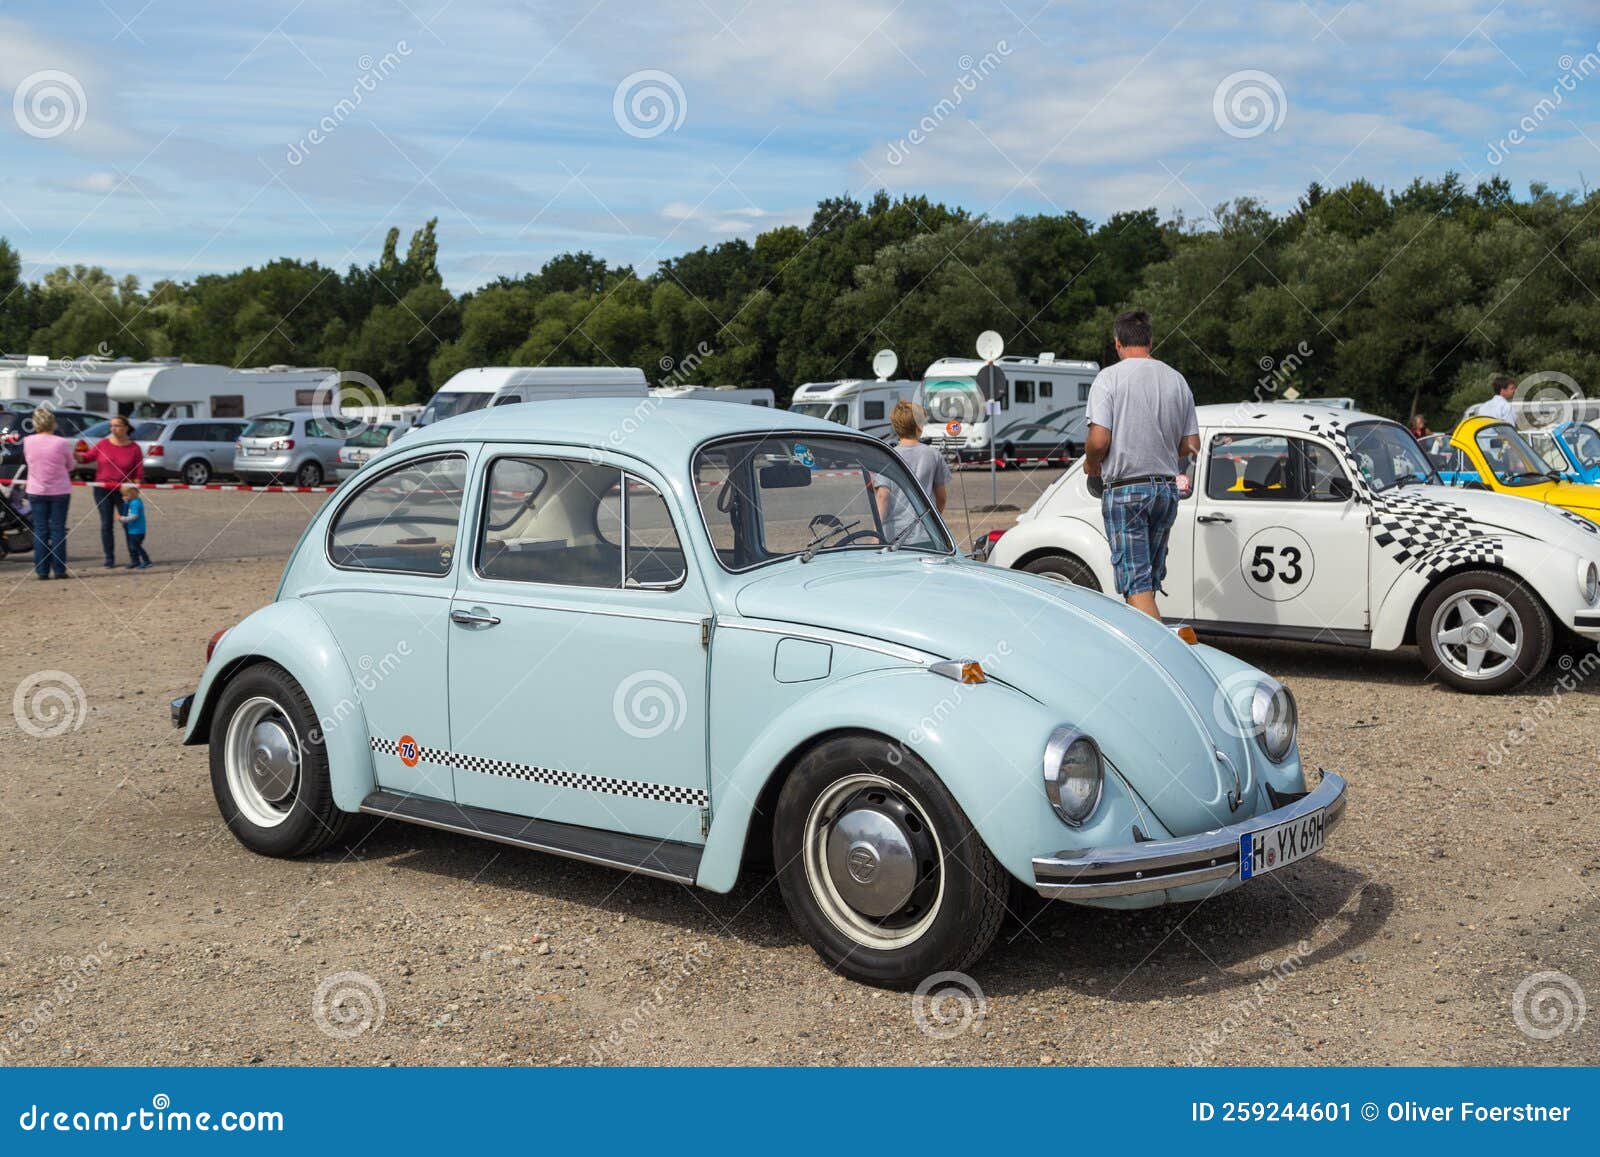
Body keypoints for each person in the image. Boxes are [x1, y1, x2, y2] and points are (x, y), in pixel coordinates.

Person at [1082, 309, 1200, 620]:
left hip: (1126, 490)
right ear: (1150, 341)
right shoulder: (1176, 379)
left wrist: (1091, 463)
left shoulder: (1108, 378)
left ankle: (1160, 658)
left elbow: (1098, 441)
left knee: (1136, 586)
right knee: (1148, 581)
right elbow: (1191, 446)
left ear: (1117, 342)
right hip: (1165, 490)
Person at [874, 400, 949, 541]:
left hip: (894, 535)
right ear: (919, 426)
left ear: (896, 426)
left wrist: (875, 535)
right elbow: (942, 497)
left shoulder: (888, 456)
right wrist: (932, 522)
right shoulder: (933, 455)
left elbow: (882, 496)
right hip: (927, 535)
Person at [76, 414, 143, 567]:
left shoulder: (134, 448)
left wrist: (133, 492)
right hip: (102, 490)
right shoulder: (103, 444)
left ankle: (134, 557)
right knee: (106, 524)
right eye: (111, 426)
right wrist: (73, 454)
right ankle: (109, 558)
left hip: (124, 491)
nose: (114, 428)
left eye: (117, 425)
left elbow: (138, 474)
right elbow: (86, 458)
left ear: (126, 427)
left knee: (128, 524)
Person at [20, 407, 75, 580]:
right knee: (58, 530)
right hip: (60, 490)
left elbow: (28, 461)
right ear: (53, 423)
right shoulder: (61, 442)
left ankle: (42, 571)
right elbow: (70, 465)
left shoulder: (28, 441)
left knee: (40, 530)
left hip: (36, 490)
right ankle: (59, 570)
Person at [118, 483, 151, 569]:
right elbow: (126, 511)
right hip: (132, 530)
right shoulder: (131, 502)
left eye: (126, 495)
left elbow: (134, 516)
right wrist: (125, 503)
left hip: (137, 530)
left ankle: (147, 560)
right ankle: (136, 561)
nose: (124, 497)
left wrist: (122, 518)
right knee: (133, 546)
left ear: (132, 494)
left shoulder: (135, 503)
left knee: (136, 546)